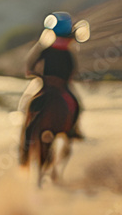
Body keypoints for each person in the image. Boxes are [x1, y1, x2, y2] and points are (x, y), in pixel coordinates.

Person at [20, 11, 85, 141]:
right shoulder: (67, 51)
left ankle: (25, 125)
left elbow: (31, 63)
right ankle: (73, 129)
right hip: (62, 85)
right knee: (75, 105)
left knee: (26, 102)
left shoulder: (45, 49)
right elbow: (72, 69)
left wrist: (32, 72)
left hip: (44, 83)